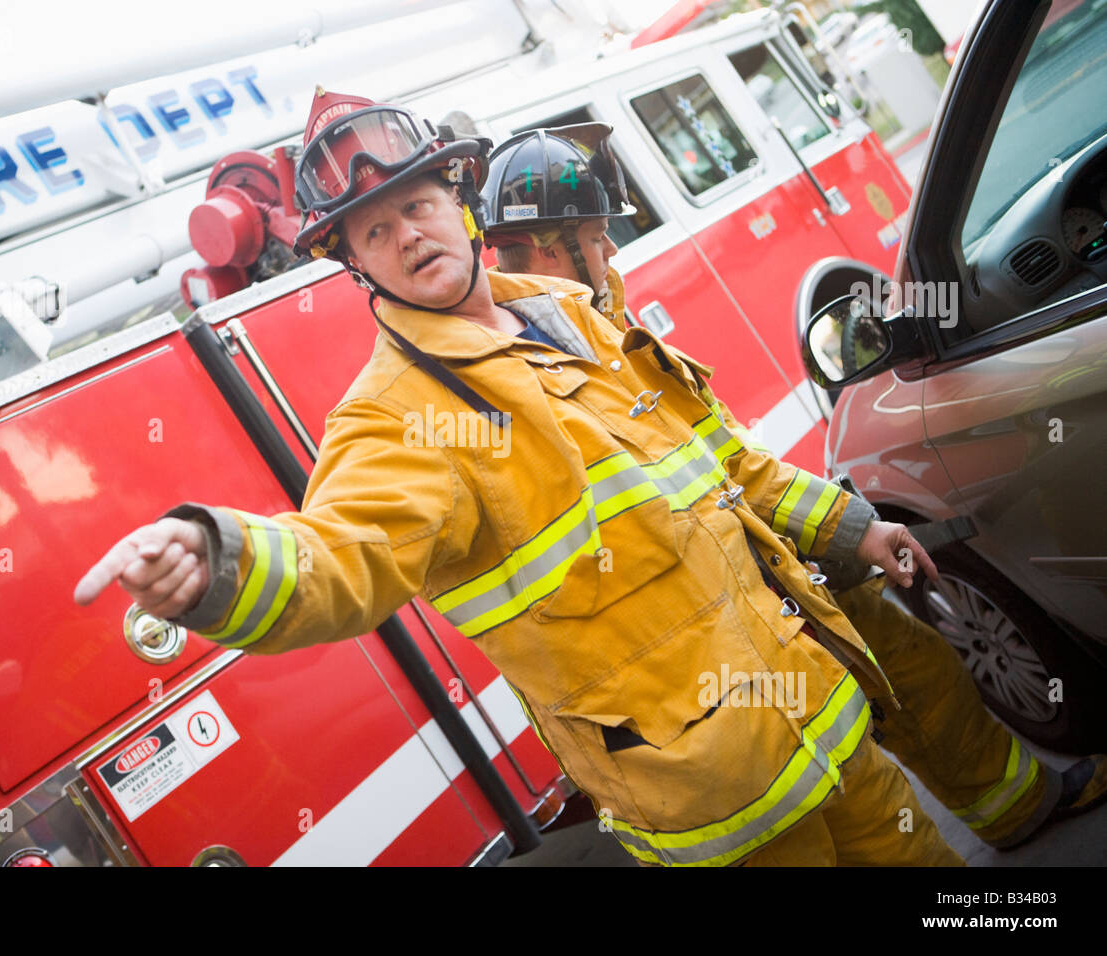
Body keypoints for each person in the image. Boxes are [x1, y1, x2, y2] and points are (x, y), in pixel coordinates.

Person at [76, 88, 968, 866]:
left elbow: (723, 461)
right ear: (356, 267)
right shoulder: (393, 417)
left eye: (416, 205)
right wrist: (216, 560)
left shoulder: (570, 314)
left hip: (821, 719)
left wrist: (859, 530)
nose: (406, 236)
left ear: (462, 201)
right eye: (375, 232)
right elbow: (341, 553)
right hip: (718, 800)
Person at [480, 122, 1107, 853]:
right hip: (724, 636)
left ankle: (1018, 807)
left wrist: (852, 531)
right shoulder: (524, 371)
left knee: (917, 670)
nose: (613, 249)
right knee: (861, 789)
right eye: (597, 232)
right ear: (555, 244)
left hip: (777, 573)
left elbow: (731, 460)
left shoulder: (599, 330)